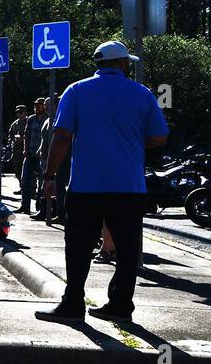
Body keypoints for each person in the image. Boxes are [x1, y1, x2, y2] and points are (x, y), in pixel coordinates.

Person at [35, 41, 168, 324]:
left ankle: (73, 305)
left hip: (87, 185)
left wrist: (49, 175)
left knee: (79, 246)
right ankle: (120, 306)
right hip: (129, 186)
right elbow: (159, 137)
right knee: (128, 248)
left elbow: (61, 137)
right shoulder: (142, 94)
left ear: (98, 63)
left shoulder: (77, 90)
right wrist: (130, 140)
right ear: (122, 63)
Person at [39, 94, 69, 224]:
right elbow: (46, 139)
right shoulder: (49, 119)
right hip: (50, 158)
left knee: (61, 187)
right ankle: (58, 213)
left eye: (48, 105)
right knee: (57, 188)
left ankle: (63, 215)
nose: (45, 108)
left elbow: (61, 139)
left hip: (64, 158)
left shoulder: (63, 118)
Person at [21, 98, 47, 215]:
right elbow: (26, 135)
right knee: (25, 180)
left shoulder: (48, 119)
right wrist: (25, 149)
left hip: (42, 156)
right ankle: (24, 206)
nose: (36, 107)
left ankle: (40, 207)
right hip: (30, 154)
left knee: (42, 182)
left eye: (39, 105)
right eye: (35, 105)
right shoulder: (31, 119)